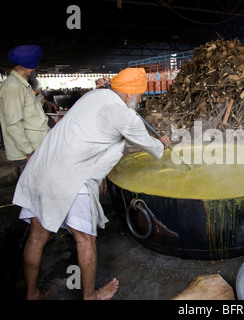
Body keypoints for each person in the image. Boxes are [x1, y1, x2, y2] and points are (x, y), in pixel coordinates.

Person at [13, 68, 171, 300]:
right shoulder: (124, 115)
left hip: (40, 168)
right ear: (129, 95)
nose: (138, 100)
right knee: (85, 239)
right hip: (70, 178)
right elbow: (152, 147)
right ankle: (90, 296)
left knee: (37, 237)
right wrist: (163, 144)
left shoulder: (93, 95)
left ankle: (32, 293)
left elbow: (102, 134)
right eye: (138, 95)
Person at [0, 45, 49, 173]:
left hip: (35, 147)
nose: (36, 68)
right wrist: (28, 152)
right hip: (28, 152)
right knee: (33, 189)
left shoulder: (22, 85)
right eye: (35, 65)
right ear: (27, 66)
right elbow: (13, 124)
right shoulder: (13, 87)